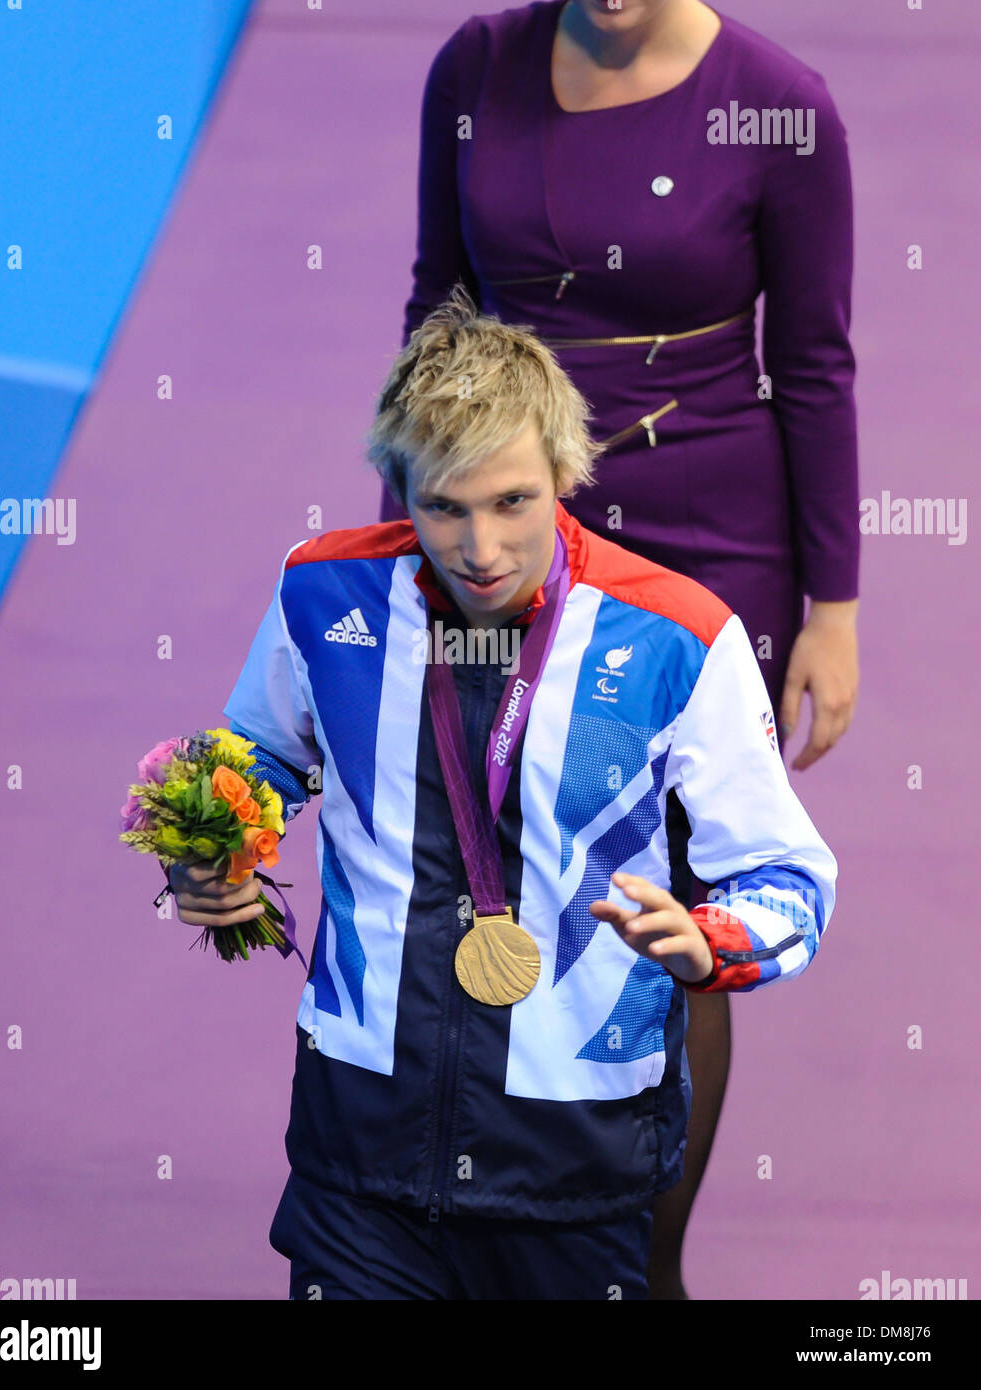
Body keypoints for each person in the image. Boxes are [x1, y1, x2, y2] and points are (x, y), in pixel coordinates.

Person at [170, 291, 837, 1300]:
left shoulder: (676, 637)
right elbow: (259, 759)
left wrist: (715, 941)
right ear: (401, 488)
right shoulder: (322, 594)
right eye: (444, 506)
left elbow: (788, 874)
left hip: (572, 1170)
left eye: (512, 502)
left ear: (564, 475)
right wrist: (208, 854)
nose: (479, 545)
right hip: (359, 1154)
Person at [378, 0, 860, 1297]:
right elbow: (439, 306)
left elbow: (811, 364)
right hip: (503, 531)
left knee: (672, 887)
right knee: (494, 855)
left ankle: (644, 1261)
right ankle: (487, 1213)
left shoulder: (781, 106)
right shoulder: (472, 67)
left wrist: (832, 608)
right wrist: (395, 555)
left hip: (707, 549)